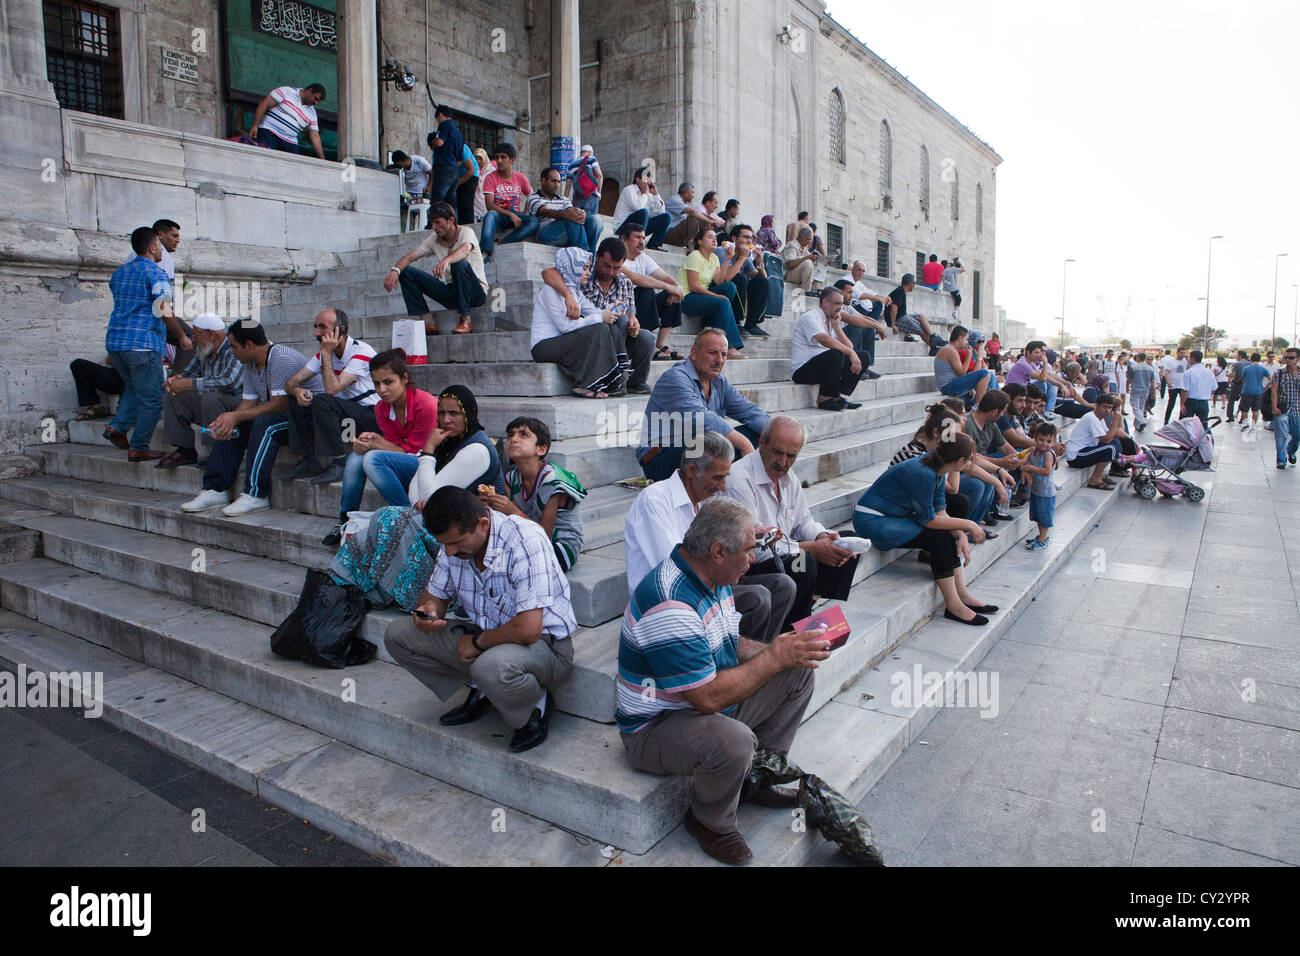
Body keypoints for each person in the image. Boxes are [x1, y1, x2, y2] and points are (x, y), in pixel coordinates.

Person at [617, 495, 828, 865]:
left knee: (796, 674)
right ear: (717, 551)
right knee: (733, 741)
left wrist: (782, 653)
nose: (753, 560)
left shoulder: (715, 578)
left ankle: (758, 776)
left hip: (698, 702)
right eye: (749, 551)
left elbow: (731, 643)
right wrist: (774, 657)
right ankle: (709, 821)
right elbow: (707, 699)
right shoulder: (670, 602)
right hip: (653, 728)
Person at [385, 486, 575, 754]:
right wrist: (429, 611)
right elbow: (434, 596)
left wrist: (477, 642)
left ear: (482, 524)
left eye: (456, 543)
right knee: (398, 635)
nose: (449, 552)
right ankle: (483, 689)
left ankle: (534, 706)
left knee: (490, 666)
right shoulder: (453, 544)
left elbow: (529, 630)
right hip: (490, 639)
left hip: (546, 647)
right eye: (444, 544)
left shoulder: (525, 538)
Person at [624, 430, 795, 645]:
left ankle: (755, 658)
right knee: (757, 597)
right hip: (670, 601)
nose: (723, 487)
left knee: (783, 585)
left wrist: (753, 538)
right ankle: (736, 665)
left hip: (708, 585)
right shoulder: (654, 501)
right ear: (692, 470)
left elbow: (720, 547)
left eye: (725, 477)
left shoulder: (707, 500)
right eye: (717, 478)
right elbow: (673, 570)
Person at [728, 416, 858, 629]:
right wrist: (810, 549)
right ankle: (790, 630)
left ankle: (805, 606)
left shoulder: (788, 478)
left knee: (847, 543)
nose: (783, 462)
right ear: (762, 442)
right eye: (778, 452)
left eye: (791, 456)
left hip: (782, 553)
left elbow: (803, 520)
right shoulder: (740, 480)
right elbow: (755, 545)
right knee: (803, 562)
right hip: (749, 564)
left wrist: (822, 537)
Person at [852, 434, 996, 626]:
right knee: (940, 538)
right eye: (969, 459)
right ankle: (954, 606)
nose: (970, 464)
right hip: (873, 521)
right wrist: (967, 524)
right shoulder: (922, 472)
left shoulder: (936, 467)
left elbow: (940, 509)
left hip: (893, 516)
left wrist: (960, 533)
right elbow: (928, 520)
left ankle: (963, 595)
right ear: (960, 461)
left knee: (947, 530)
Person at [179, 321, 321, 515]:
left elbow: (280, 404)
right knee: (234, 426)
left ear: (249, 345)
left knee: (264, 425)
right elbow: (248, 403)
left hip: (308, 417)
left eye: (234, 347)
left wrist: (236, 415)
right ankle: (215, 489)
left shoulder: (281, 358)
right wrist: (230, 419)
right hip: (282, 415)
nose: (231, 352)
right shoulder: (249, 364)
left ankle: (256, 495)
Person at [326, 348, 437, 546]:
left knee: (372, 458)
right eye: (376, 383)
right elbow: (395, 446)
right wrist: (369, 444)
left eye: (388, 382)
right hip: (407, 460)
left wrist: (376, 444)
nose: (381, 390)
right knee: (356, 458)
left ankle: (409, 518)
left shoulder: (425, 405)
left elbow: (417, 453)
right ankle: (344, 521)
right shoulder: (381, 408)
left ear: (404, 378)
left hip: (431, 465)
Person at [102, 227, 190, 462]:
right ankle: (139, 446)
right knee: (152, 397)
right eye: (159, 246)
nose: (162, 250)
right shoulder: (156, 273)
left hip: (116, 342)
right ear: (152, 248)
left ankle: (117, 427)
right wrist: (181, 335)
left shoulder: (119, 274)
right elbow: (164, 310)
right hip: (142, 344)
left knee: (133, 386)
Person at [638, 329, 769, 481]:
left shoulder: (719, 382)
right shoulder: (674, 378)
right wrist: (745, 444)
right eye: (713, 353)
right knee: (707, 442)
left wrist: (777, 431)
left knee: (763, 434)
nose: (719, 360)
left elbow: (749, 411)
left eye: (724, 354)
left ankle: (730, 480)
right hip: (661, 460)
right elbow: (702, 419)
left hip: (699, 450)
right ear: (694, 353)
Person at [533, 245, 652, 398]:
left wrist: (613, 309)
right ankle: (590, 383)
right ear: (572, 267)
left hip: (565, 341)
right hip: (544, 346)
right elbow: (564, 327)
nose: (588, 273)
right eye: (584, 269)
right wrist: (600, 318)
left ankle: (616, 380)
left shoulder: (575, 291)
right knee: (600, 328)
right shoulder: (550, 291)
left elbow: (594, 311)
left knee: (612, 328)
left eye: (588, 268)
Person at [283, 308, 380, 483]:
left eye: (322, 327)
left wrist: (326, 354)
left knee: (323, 400)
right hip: (346, 421)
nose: (316, 333)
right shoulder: (323, 355)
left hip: (371, 418)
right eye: (315, 327)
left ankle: (340, 464)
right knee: (296, 400)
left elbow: (332, 389)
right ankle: (309, 461)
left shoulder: (361, 352)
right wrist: (297, 391)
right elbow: (290, 383)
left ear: (340, 330)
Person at [481, 417, 586, 570]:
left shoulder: (552, 481)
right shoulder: (511, 479)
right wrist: (489, 506)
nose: (514, 439)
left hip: (560, 546)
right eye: (510, 435)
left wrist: (512, 511)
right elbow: (512, 524)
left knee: (506, 561)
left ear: (541, 449)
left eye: (523, 435)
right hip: (529, 540)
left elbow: (545, 535)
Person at [386, 202, 488, 335]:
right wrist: (395, 270)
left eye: (438, 222)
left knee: (460, 264)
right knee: (406, 272)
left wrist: (447, 260)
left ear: (450, 220)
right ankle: (428, 322)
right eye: (432, 223)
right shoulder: (434, 239)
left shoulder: (466, 232)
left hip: (475, 293)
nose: (434, 227)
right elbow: (410, 257)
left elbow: (465, 251)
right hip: (453, 293)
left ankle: (465, 320)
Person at [157, 313, 244, 469]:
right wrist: (177, 380)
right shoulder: (204, 350)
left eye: (196, 334)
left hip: (240, 405)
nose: (194, 339)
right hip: (213, 404)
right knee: (174, 392)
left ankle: (219, 452)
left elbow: (229, 382)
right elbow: (189, 375)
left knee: (212, 397)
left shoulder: (232, 348)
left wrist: (189, 383)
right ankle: (185, 450)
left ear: (210, 334)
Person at [576, 238, 656, 392]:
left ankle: (635, 382)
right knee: (619, 321)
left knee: (646, 338)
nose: (610, 272)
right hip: (591, 336)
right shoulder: (583, 276)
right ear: (597, 257)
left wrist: (634, 323)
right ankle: (611, 377)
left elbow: (631, 312)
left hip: (619, 337)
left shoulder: (625, 283)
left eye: (616, 268)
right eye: (606, 266)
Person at [409, 385, 507, 506]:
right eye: (441, 413)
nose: (445, 420)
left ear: (468, 415)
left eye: (453, 413)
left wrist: (428, 450)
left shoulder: (477, 450)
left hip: (475, 522)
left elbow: (430, 498)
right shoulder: (446, 443)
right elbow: (415, 486)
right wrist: (416, 504)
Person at [617, 220, 685, 361]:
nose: (642, 241)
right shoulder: (617, 256)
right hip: (624, 308)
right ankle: (647, 342)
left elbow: (666, 277)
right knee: (645, 289)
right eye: (637, 237)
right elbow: (635, 278)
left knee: (671, 293)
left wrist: (676, 288)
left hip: (643, 306)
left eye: (643, 237)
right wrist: (668, 287)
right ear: (624, 239)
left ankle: (660, 344)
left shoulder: (643, 258)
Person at [790, 287, 868, 411]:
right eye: (837, 303)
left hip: (825, 368)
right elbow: (823, 339)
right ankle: (824, 398)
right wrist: (850, 352)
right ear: (825, 302)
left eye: (841, 304)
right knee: (835, 354)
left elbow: (850, 347)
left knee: (863, 356)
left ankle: (837, 396)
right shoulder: (810, 317)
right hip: (802, 371)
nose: (840, 307)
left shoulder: (831, 320)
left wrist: (837, 327)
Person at [679, 227, 746, 359]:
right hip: (688, 298)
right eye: (710, 237)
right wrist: (717, 296)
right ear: (700, 242)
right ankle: (731, 346)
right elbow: (693, 287)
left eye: (715, 237)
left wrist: (727, 259)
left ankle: (710, 321)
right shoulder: (694, 256)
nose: (714, 239)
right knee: (723, 302)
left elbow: (719, 281)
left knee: (730, 287)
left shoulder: (714, 258)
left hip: (703, 295)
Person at [1065, 393, 1144, 489]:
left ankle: (1114, 465)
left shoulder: (1099, 418)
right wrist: (1115, 423)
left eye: (1110, 408)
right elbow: (1106, 439)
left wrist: (1130, 439)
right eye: (1104, 407)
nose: (1107, 410)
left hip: (1085, 451)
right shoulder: (1091, 418)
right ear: (1096, 406)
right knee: (1110, 447)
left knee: (1115, 443)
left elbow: (1111, 434)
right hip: (1076, 456)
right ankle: (1094, 480)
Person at [479, 142, 538, 259]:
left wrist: (524, 212)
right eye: (497, 157)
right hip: (498, 217)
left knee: (534, 221)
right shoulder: (490, 178)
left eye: (503, 157)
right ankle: (485, 253)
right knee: (490, 215)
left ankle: (505, 241)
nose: (499, 161)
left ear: (512, 160)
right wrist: (510, 214)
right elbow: (489, 205)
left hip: (515, 217)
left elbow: (532, 196)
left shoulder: (520, 178)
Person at [526, 165, 601, 252]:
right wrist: (565, 214)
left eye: (559, 182)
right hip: (545, 234)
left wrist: (580, 213)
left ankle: (590, 256)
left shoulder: (564, 199)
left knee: (596, 220)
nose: (557, 185)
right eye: (553, 181)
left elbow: (570, 211)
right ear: (543, 181)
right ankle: (584, 254)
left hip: (567, 233)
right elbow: (545, 211)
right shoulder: (533, 197)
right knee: (570, 218)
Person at [716, 224, 771, 336]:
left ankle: (752, 324)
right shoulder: (722, 251)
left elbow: (762, 280)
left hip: (733, 287)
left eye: (751, 238)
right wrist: (741, 258)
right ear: (734, 239)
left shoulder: (745, 256)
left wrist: (760, 264)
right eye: (745, 237)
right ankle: (736, 322)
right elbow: (725, 278)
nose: (749, 241)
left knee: (762, 282)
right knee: (741, 278)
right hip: (719, 288)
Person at [247, 83, 325, 158]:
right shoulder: (287, 91)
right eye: (315, 98)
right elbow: (265, 104)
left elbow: (315, 135)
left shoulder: (312, 113)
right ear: (310, 90)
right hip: (269, 132)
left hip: (290, 142)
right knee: (265, 158)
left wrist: (322, 160)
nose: (316, 102)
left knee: (292, 166)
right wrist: (255, 126)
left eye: (318, 101)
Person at [934, 325, 996, 407]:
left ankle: (991, 403)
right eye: (966, 339)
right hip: (948, 387)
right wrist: (969, 354)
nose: (967, 342)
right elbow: (962, 373)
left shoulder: (950, 349)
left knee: (988, 375)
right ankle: (978, 407)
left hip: (949, 385)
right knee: (984, 374)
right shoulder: (950, 351)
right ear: (960, 338)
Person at [1020, 422, 1058, 551]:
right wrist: (1024, 467)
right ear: (1035, 438)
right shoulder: (1033, 451)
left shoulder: (1048, 454)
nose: (1044, 444)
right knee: (1037, 515)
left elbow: (1046, 470)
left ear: (1053, 442)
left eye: (1049, 441)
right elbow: (1023, 460)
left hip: (1046, 492)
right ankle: (1040, 536)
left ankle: (1043, 538)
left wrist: (1030, 467)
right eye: (1041, 440)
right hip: (1036, 490)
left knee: (1044, 516)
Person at [612, 166, 671, 248]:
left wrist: (655, 194)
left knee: (666, 217)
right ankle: (639, 241)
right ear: (638, 179)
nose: (648, 182)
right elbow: (638, 208)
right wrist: (645, 194)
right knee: (644, 212)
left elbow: (660, 212)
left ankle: (654, 244)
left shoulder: (647, 195)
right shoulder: (629, 190)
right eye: (646, 179)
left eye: (649, 179)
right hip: (622, 228)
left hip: (639, 228)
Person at [886, 274, 943, 353]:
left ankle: (932, 335)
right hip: (898, 320)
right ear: (910, 283)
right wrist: (893, 324)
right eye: (914, 283)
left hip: (902, 317)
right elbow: (894, 307)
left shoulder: (901, 291)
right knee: (919, 328)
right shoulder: (900, 291)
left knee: (921, 317)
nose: (914, 286)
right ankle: (932, 347)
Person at [427, 104, 465, 206]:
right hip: (454, 170)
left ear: (439, 115)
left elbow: (440, 142)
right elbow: (461, 159)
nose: (438, 121)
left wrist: (434, 142)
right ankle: (453, 221)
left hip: (443, 167)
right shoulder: (459, 133)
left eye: (437, 119)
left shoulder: (444, 124)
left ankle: (434, 221)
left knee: (437, 199)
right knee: (451, 201)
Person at [1269, 347, 1300, 469]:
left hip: (1297, 409)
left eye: (1291, 357)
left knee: (1297, 435)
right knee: (1281, 435)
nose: (1287, 360)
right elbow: (1274, 391)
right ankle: (1281, 460)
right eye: (1285, 357)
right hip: (1282, 408)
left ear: (1297, 359)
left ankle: (1290, 451)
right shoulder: (1280, 373)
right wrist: (1274, 406)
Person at [665, 183, 723, 247]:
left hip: (677, 233)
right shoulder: (674, 200)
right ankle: (692, 245)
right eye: (692, 193)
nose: (693, 195)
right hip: (668, 234)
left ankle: (703, 247)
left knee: (704, 222)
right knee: (693, 219)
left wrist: (712, 220)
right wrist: (709, 221)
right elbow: (693, 212)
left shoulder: (683, 203)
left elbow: (698, 213)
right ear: (687, 193)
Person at [70, 355, 123, 421]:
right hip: (117, 375)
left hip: (134, 377)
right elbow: (109, 360)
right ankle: (96, 408)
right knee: (79, 364)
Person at [565, 144, 603, 220]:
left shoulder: (571, 164)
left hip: (577, 197)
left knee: (578, 221)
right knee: (590, 221)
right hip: (591, 196)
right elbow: (599, 175)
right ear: (590, 152)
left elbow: (568, 186)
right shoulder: (591, 159)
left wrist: (565, 202)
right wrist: (599, 192)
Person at [1181, 349, 1216, 426]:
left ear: (1193, 358)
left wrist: (1182, 404)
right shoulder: (1209, 372)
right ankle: (1205, 437)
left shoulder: (1188, 372)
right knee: (1203, 425)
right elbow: (1214, 389)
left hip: (1190, 401)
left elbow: (1185, 390)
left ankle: (1189, 438)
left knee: (1186, 424)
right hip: (1204, 402)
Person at [1237, 352, 1271, 430]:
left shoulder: (1246, 369)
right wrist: (1265, 388)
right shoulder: (1263, 369)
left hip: (1246, 390)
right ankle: (1253, 426)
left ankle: (1245, 424)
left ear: (1251, 359)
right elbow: (1271, 379)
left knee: (1244, 409)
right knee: (1255, 409)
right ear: (1259, 359)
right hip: (1258, 391)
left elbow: (1243, 380)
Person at [780, 227, 818, 293]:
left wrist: (823, 261)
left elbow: (811, 258)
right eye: (807, 239)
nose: (809, 242)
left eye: (810, 240)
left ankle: (815, 289)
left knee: (815, 265)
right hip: (787, 275)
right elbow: (790, 264)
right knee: (808, 263)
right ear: (801, 236)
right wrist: (807, 258)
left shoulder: (804, 248)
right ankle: (806, 291)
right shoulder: (792, 245)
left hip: (795, 274)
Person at [1128, 352, 1157, 432]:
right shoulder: (1150, 369)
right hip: (1146, 390)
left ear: (1138, 358)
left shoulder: (1133, 368)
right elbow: (1152, 382)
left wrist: (1127, 388)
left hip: (1136, 390)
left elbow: (1129, 380)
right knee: (1141, 407)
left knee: (1135, 407)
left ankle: (1142, 421)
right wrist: (1153, 392)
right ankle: (1137, 425)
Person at [1160, 347, 1189, 425]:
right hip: (1174, 385)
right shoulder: (1171, 362)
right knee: (1171, 403)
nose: (1183, 354)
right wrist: (1168, 382)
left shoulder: (1185, 361)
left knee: (1184, 403)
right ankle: (1166, 419)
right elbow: (1167, 372)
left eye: (1184, 353)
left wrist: (1188, 359)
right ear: (1177, 353)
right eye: (1181, 352)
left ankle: (1181, 419)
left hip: (1183, 386)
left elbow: (1189, 369)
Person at [1226, 349, 1249, 422]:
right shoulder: (1249, 364)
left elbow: (1233, 375)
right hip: (1246, 384)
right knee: (1244, 401)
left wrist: (1228, 374)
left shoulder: (1237, 364)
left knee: (1231, 400)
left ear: (1240, 355)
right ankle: (1243, 417)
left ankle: (1230, 417)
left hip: (1237, 384)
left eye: (1237, 355)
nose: (1236, 356)